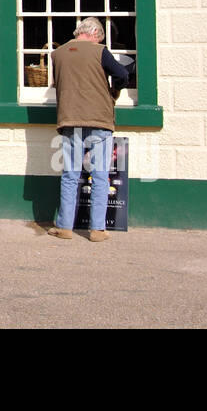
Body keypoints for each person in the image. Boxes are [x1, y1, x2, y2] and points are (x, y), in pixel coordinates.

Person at [49, 16, 128, 243]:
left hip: (70, 120)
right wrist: (115, 90)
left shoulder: (59, 53)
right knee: (100, 176)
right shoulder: (99, 51)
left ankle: (64, 226)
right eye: (99, 38)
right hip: (98, 121)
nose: (98, 41)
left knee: (70, 175)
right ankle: (97, 230)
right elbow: (122, 74)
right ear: (94, 34)